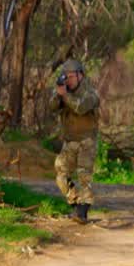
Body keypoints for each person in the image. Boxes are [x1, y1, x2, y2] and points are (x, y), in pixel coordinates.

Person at [51, 59, 100, 224]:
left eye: (71, 76)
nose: (68, 80)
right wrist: (58, 95)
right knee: (61, 173)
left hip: (87, 141)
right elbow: (51, 107)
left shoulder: (91, 93)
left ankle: (83, 212)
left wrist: (65, 95)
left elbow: (81, 108)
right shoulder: (64, 91)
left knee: (84, 176)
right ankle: (75, 203)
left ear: (80, 76)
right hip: (70, 140)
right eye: (66, 77)